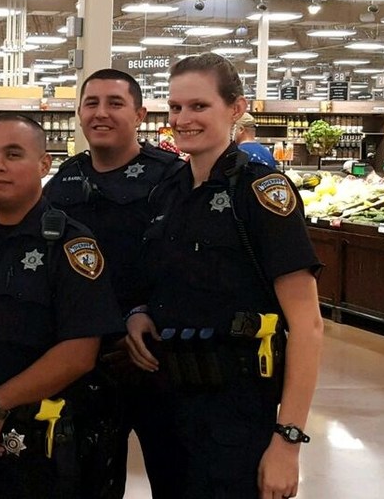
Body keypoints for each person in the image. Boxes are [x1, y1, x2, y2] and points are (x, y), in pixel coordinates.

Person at [125, 52, 324, 499]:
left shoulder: (260, 193)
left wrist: (288, 441)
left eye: (199, 106)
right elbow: (160, 282)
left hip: (236, 415)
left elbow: (308, 326)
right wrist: (140, 312)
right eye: (175, 107)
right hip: (168, 410)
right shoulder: (167, 192)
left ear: (236, 108)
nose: (183, 119)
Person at [0, 114, 124, 498]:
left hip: (39, 448)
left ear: (44, 165)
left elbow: (80, 352)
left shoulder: (70, 246)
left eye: (13, 154)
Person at [42, 69, 187, 499]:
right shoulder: (64, 182)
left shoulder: (173, 179)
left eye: (115, 103)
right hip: (88, 365)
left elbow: (190, 269)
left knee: (178, 479)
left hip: (157, 362)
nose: (101, 113)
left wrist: (144, 314)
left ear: (140, 115)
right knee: (88, 483)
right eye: (91, 103)